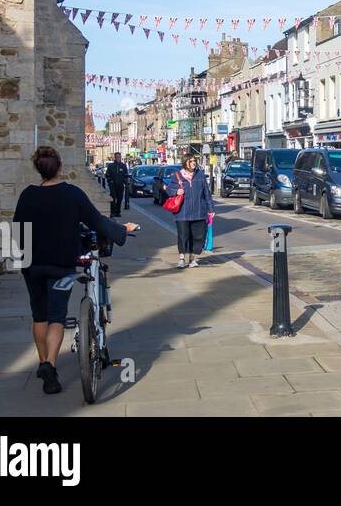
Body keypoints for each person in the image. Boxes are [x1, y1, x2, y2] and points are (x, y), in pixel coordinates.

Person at [13, 146, 138, 395]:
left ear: (38, 169)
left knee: (39, 316)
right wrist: (123, 230)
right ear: (59, 167)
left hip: (33, 264)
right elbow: (97, 221)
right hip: (61, 264)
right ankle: (50, 364)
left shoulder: (27, 195)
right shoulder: (72, 194)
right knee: (57, 317)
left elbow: (18, 230)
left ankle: (43, 363)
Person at [165, 155, 214, 268]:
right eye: (190, 161)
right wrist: (176, 191)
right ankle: (182, 258)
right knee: (183, 236)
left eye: (194, 161)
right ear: (185, 162)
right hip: (182, 212)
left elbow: (207, 193)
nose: (193, 163)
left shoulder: (200, 176)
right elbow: (169, 190)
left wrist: (210, 209)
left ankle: (192, 259)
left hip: (199, 212)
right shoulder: (177, 176)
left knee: (198, 236)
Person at [104, 152, 130, 218]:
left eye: (119, 157)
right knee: (113, 198)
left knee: (119, 199)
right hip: (113, 185)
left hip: (120, 185)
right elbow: (107, 175)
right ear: (115, 158)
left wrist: (125, 182)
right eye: (117, 157)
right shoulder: (111, 165)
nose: (118, 158)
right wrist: (110, 181)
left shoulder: (123, 166)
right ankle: (112, 212)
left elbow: (125, 175)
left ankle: (118, 212)